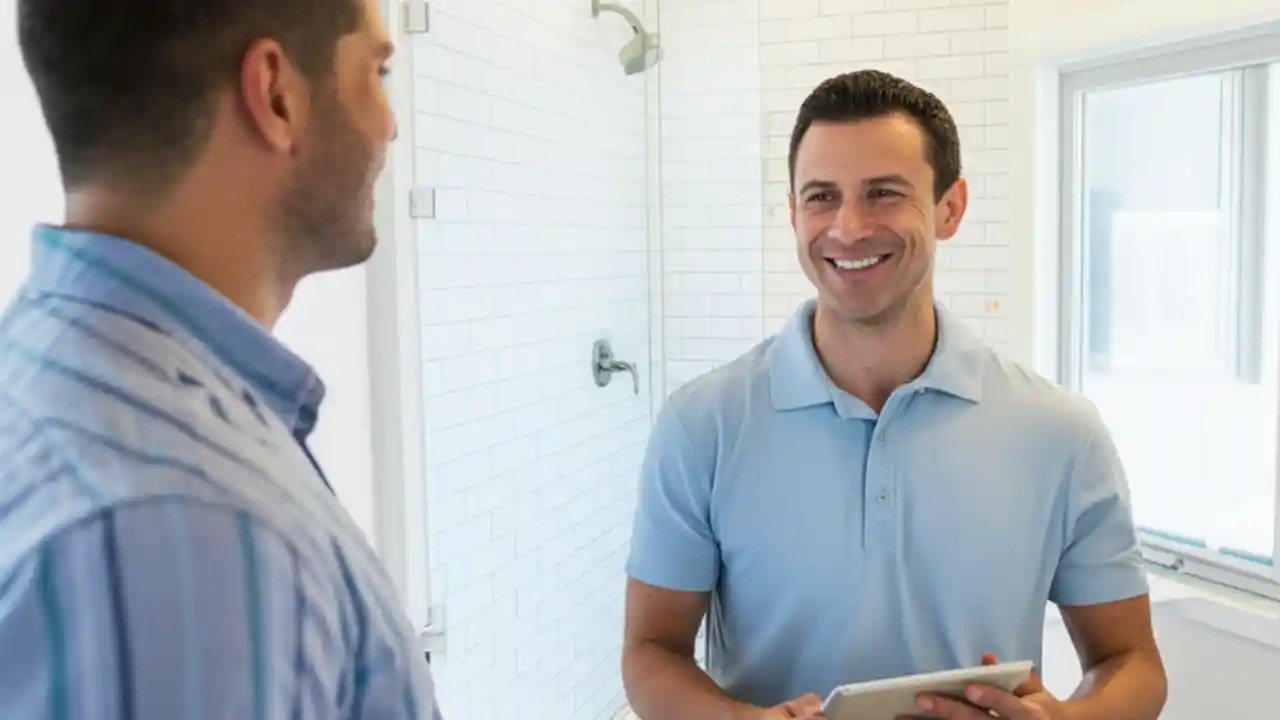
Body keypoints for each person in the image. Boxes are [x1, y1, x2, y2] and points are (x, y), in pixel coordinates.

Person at [621, 70, 1167, 720]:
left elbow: (1131, 663)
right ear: (793, 213)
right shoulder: (702, 424)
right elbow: (652, 649)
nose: (848, 228)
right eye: (821, 196)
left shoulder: (1060, 433)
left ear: (950, 207)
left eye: (884, 194)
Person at [0, 0, 442, 717]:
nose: (389, 124)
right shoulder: (180, 535)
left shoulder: (52, 371)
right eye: (376, 72)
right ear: (277, 94)